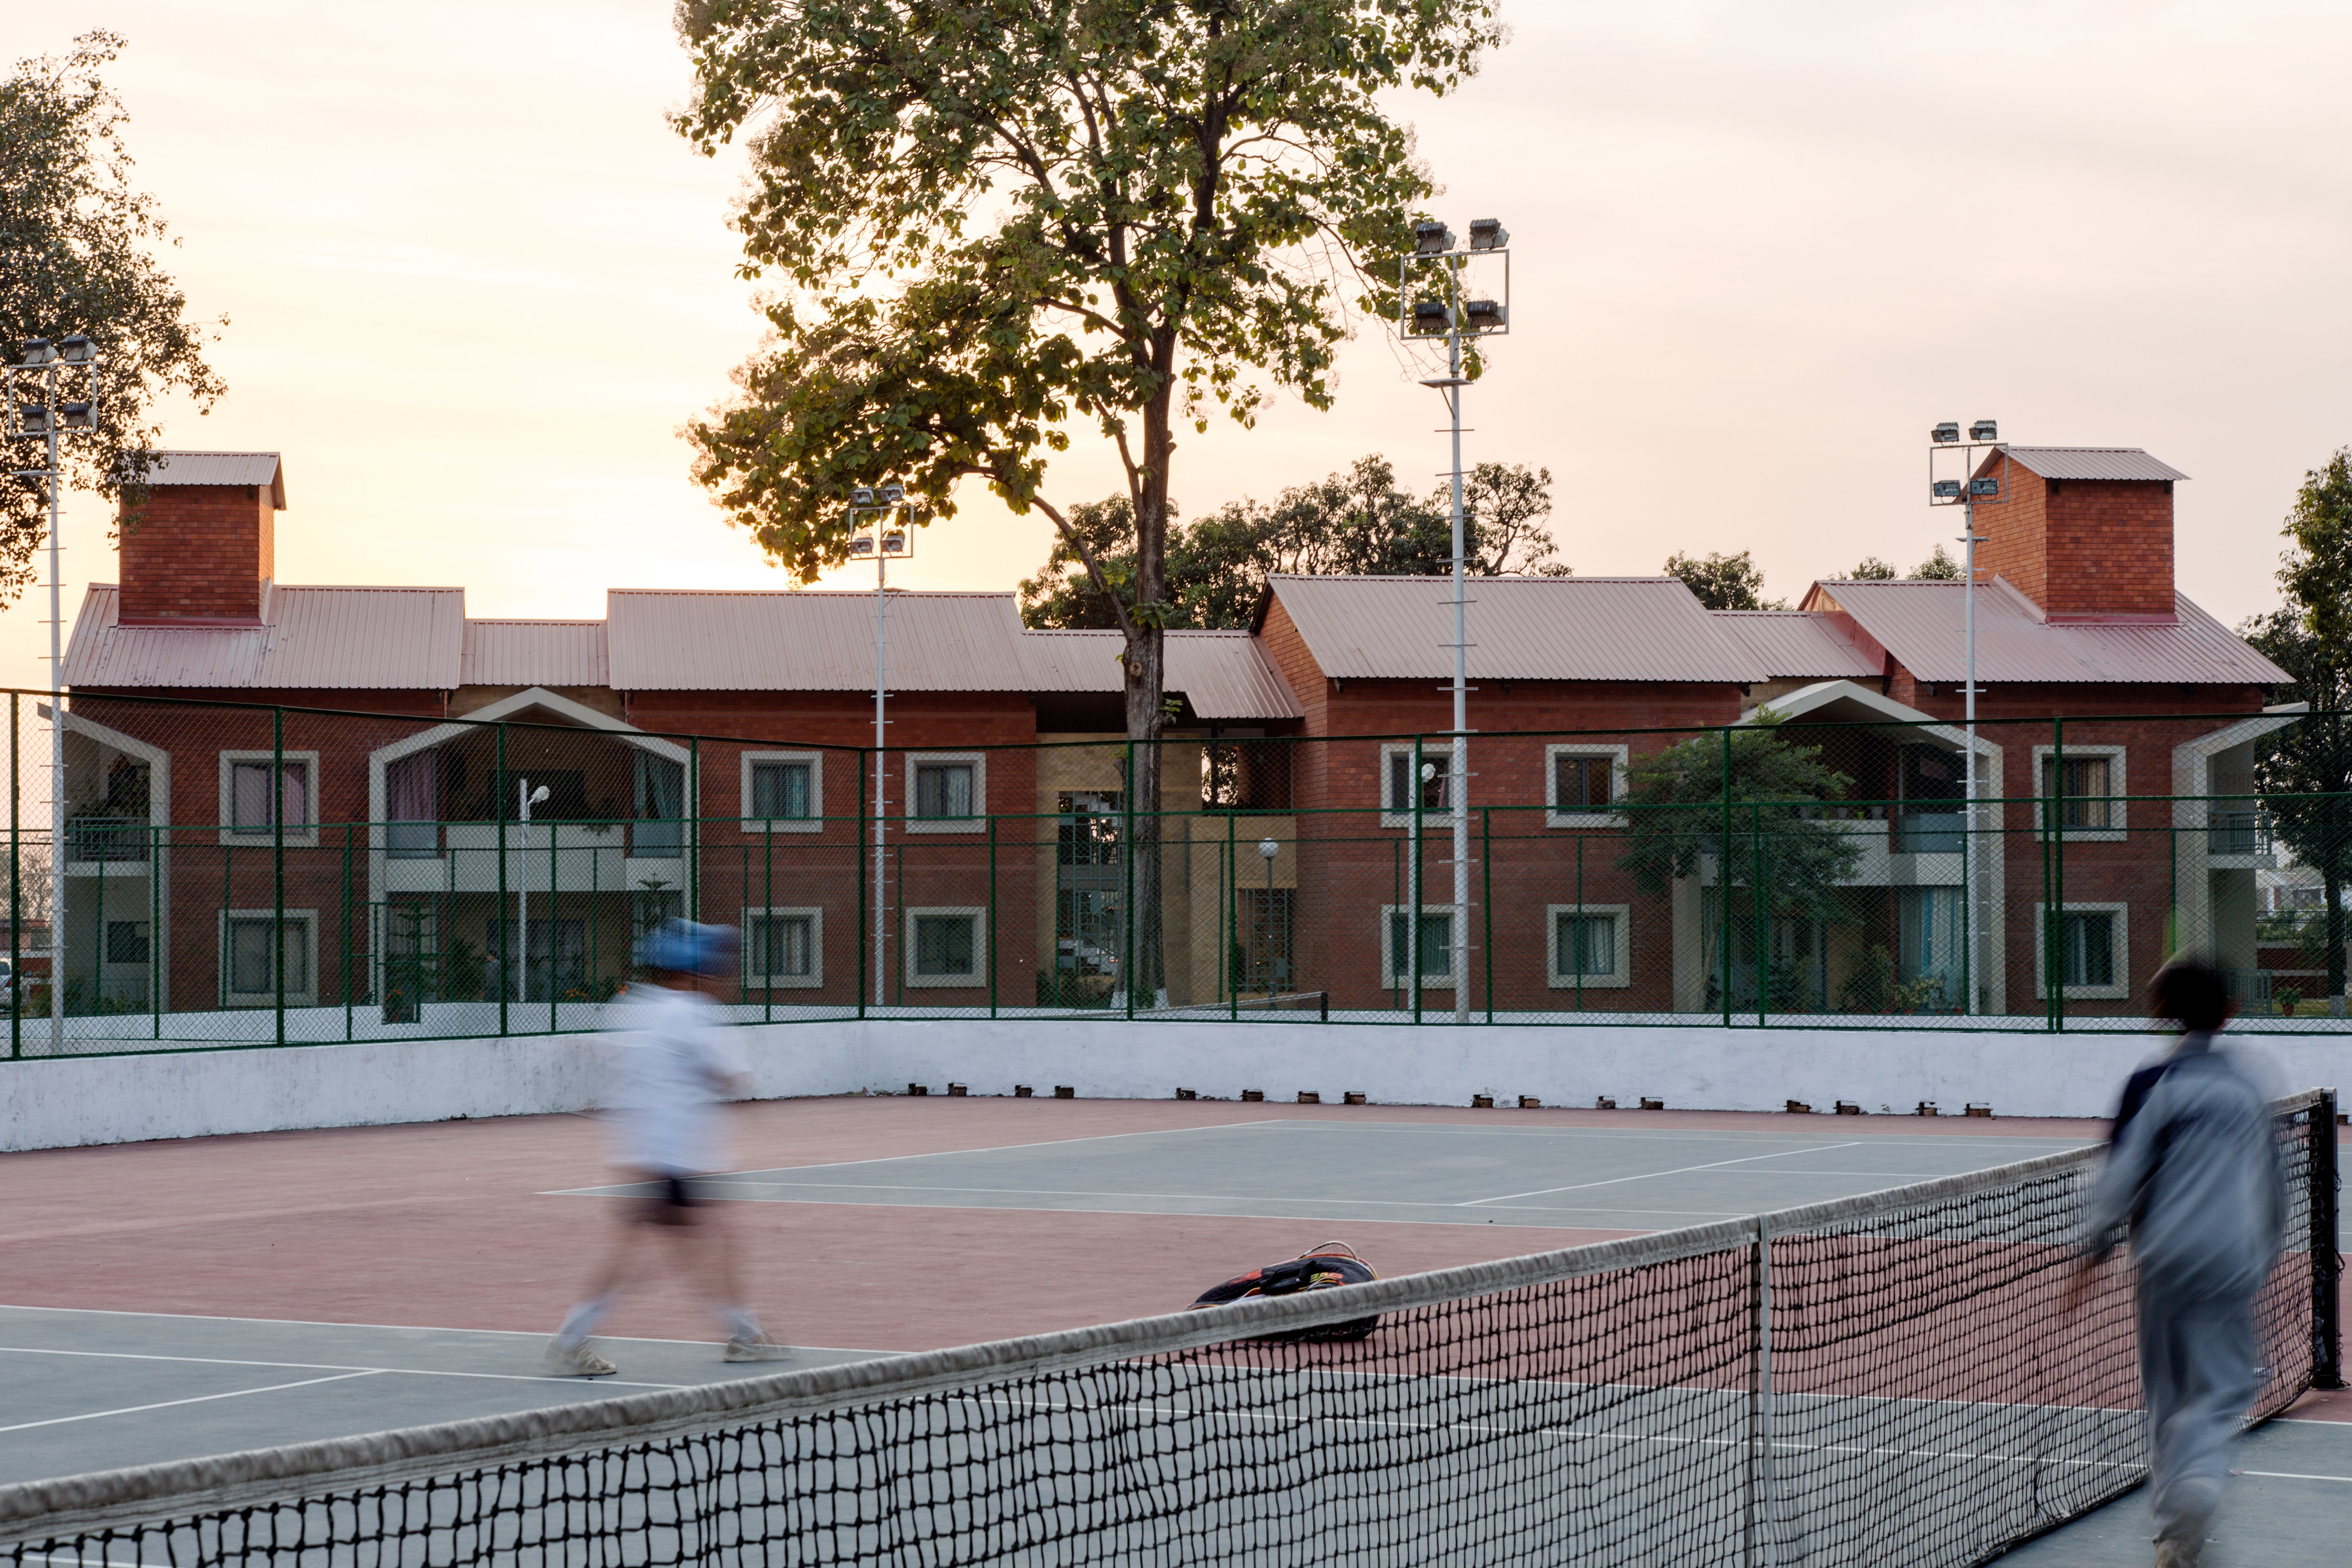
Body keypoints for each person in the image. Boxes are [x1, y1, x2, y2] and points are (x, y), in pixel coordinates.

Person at [2067, 956, 2284, 1568]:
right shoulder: (2248, 1086)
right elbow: (2271, 1184)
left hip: (2164, 1258)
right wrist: (2263, 1254)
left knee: (2167, 1399)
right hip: (2229, 1258)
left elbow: (2120, 1177)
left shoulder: (2150, 1084)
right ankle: (2200, 1488)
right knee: (2219, 1395)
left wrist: (2093, 1247)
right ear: (2231, 1013)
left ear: (2160, 1015)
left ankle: (2173, 1533)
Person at [544, 919, 789, 1375]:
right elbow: (728, 1075)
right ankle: (573, 1339)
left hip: (642, 1150)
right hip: (678, 1155)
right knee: (692, 1247)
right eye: (713, 968)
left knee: (686, 1246)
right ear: (692, 970)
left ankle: (743, 1334)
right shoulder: (688, 1011)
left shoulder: (634, 1005)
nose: (720, 976)